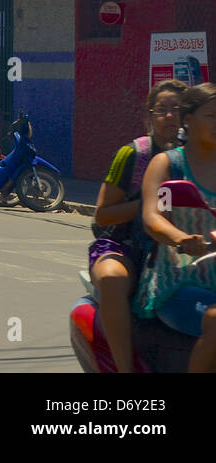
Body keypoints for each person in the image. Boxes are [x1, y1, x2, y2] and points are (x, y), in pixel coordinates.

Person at [88, 79, 186, 373]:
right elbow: (102, 215)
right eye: (162, 109)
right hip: (126, 247)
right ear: (150, 115)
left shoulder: (195, 156)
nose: (169, 116)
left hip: (181, 249)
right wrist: (148, 201)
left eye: (177, 109)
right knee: (112, 279)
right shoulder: (133, 154)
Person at [135, 82, 216, 373]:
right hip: (179, 281)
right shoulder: (169, 164)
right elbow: (153, 218)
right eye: (212, 115)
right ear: (189, 120)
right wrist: (182, 239)